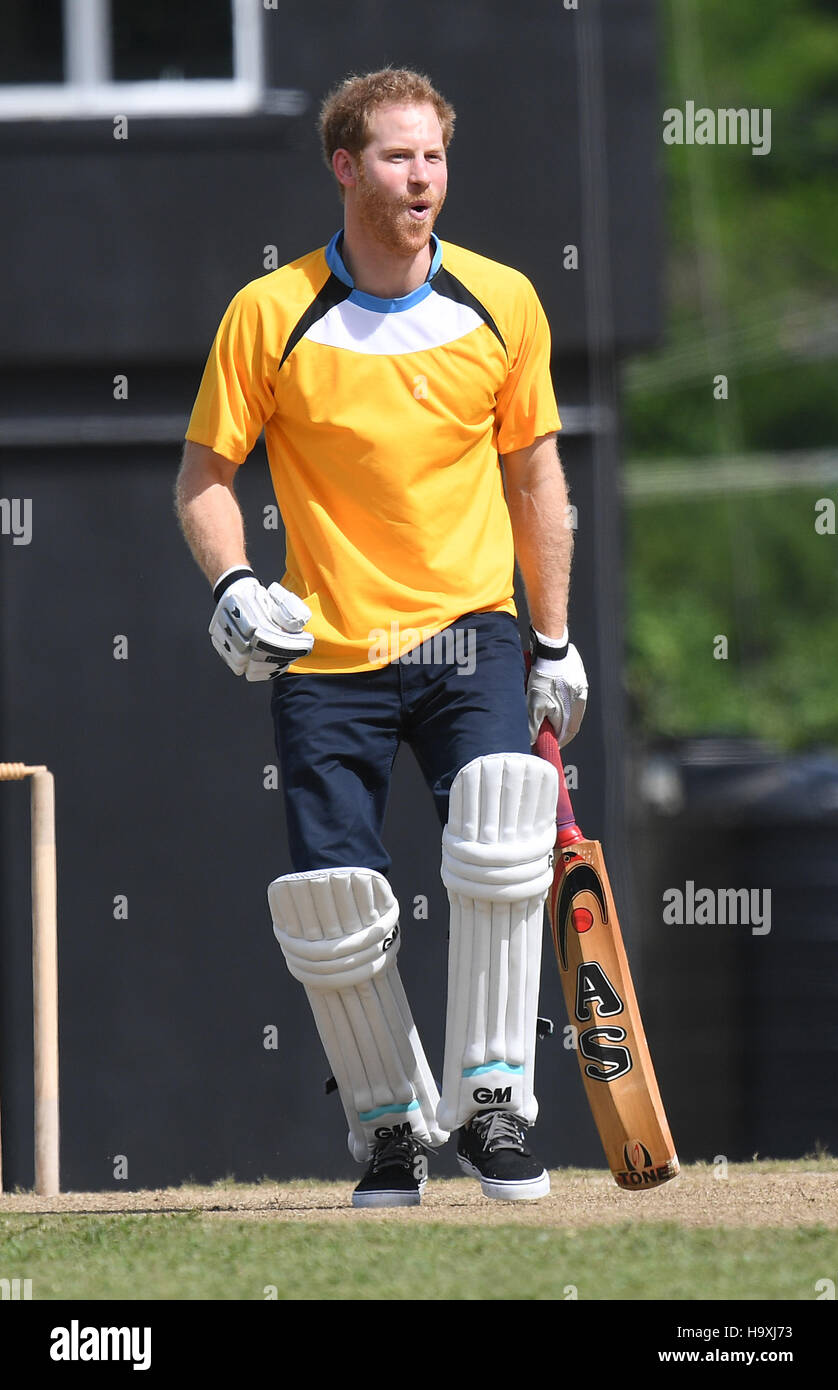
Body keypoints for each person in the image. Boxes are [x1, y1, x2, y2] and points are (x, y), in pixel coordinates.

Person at [175, 67, 588, 1207]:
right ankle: (392, 1131)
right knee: (335, 901)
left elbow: (536, 476)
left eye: (437, 158)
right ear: (345, 167)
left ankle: (496, 1106)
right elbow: (205, 479)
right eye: (400, 157)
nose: (424, 178)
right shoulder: (271, 311)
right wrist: (233, 585)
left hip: (471, 633)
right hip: (331, 653)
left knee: (506, 829)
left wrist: (551, 641)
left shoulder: (503, 300)